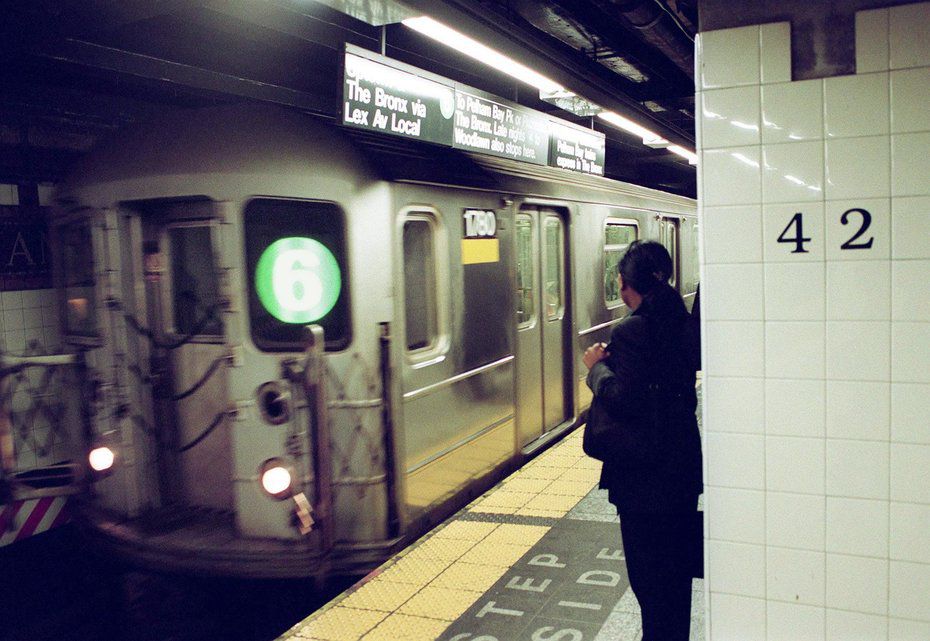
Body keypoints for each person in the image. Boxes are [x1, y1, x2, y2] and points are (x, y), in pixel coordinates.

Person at [582, 240, 702, 641]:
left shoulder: (633, 331)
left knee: (651, 587)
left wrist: (596, 370)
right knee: (675, 584)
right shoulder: (682, 322)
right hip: (681, 473)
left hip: (645, 483)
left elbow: (624, 399)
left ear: (624, 283)